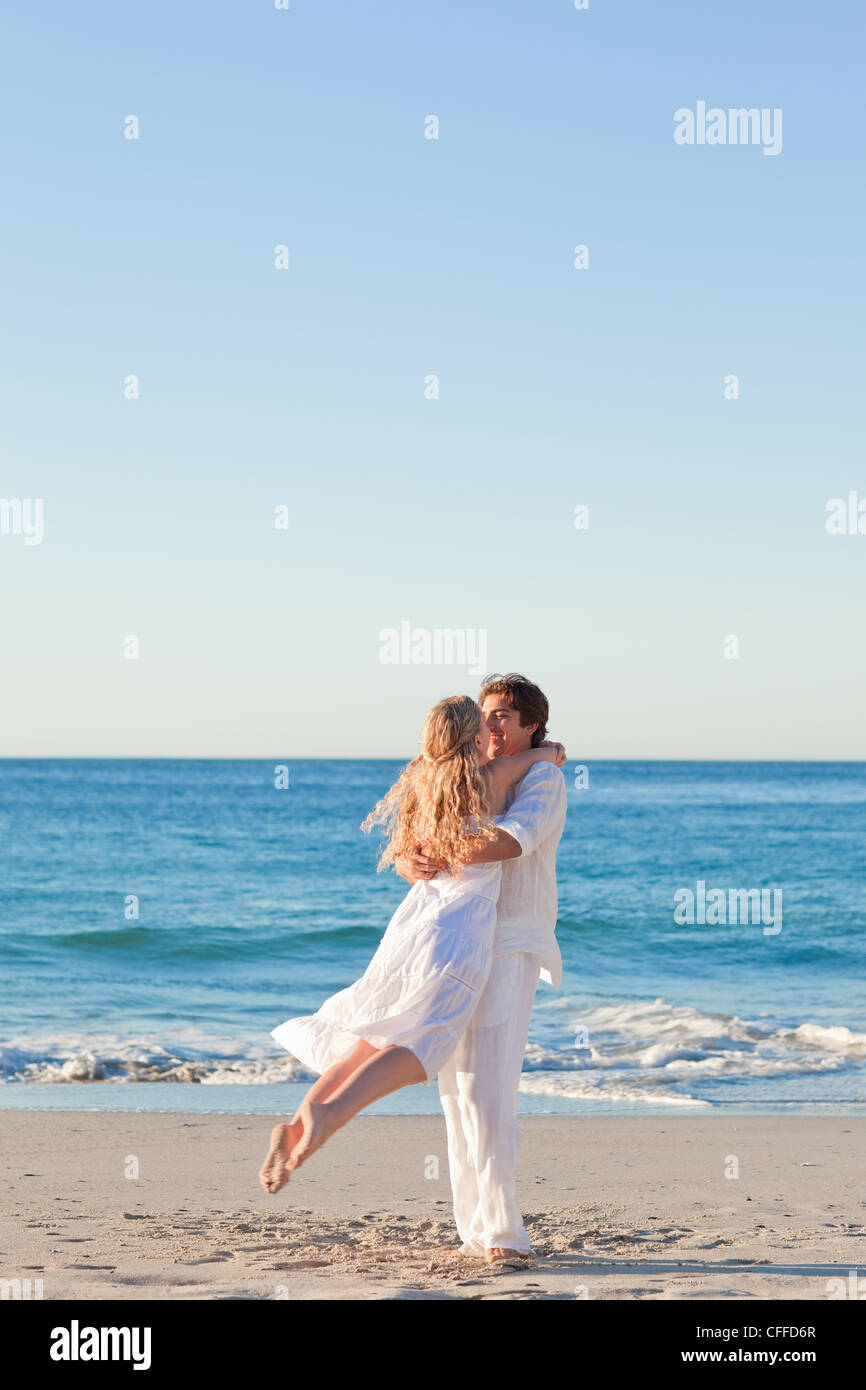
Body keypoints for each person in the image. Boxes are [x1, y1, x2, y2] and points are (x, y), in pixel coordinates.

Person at [259, 693, 565, 1196]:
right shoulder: (489, 778)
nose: (492, 729)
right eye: (485, 722)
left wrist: (418, 854)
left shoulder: (426, 779)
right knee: (424, 1042)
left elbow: (406, 851)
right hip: (460, 929)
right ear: (471, 735)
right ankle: (331, 1113)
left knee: (380, 1029)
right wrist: (546, 753)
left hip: (413, 923)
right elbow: (519, 801)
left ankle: (303, 1116)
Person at [396, 673, 567, 1267]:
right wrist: (414, 859)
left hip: (509, 944)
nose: (491, 725)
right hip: (457, 940)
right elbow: (419, 845)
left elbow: (510, 840)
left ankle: (506, 1234)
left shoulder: (543, 777)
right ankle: (474, 1226)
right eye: (487, 714)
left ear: (531, 728)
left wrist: (441, 847)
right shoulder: (469, 776)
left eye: (505, 717)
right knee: (455, 1091)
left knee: (489, 1090)